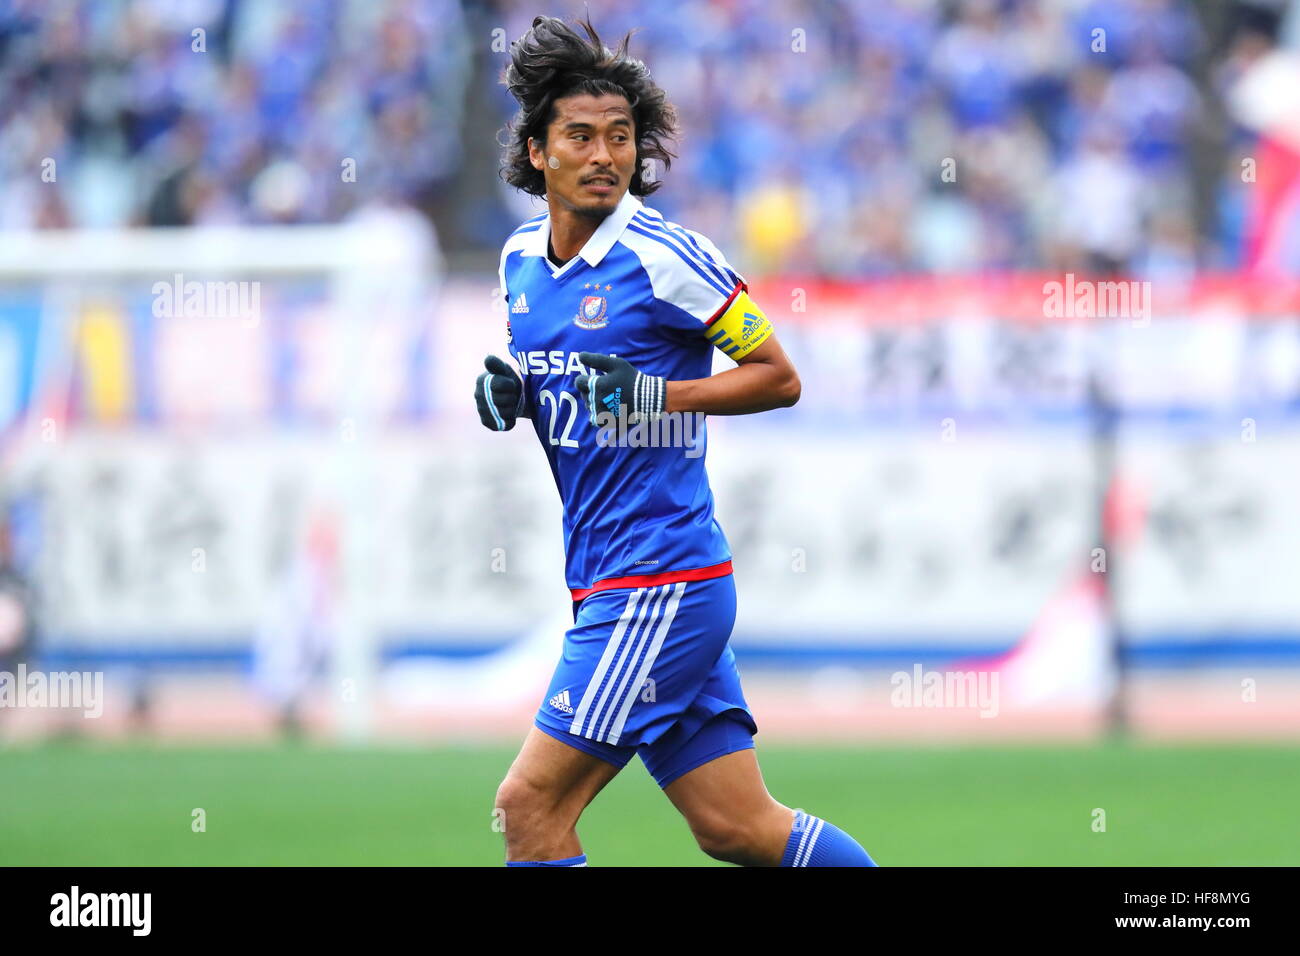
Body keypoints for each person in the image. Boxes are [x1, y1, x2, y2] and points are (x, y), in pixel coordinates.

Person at [474, 15, 876, 867]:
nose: (603, 155)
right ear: (538, 153)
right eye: (579, 136)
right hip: (607, 579)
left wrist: (662, 392)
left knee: (528, 808)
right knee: (739, 827)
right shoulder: (518, 263)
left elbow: (779, 375)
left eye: (619, 137)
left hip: (661, 583)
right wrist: (516, 394)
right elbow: (570, 386)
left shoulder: (666, 256)